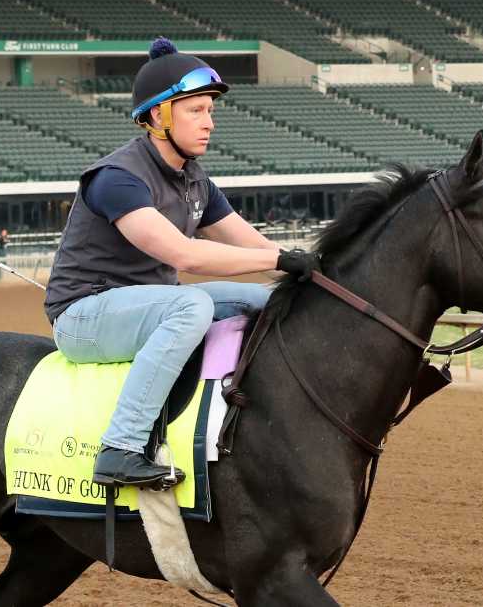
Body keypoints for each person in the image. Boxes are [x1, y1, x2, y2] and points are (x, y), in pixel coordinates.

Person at [43, 37, 318, 487]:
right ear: (158, 115)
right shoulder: (117, 178)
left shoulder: (195, 180)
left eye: (211, 110)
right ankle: (121, 448)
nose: (209, 123)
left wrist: (312, 272)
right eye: (196, 110)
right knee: (191, 306)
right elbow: (184, 255)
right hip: (83, 316)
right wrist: (280, 257)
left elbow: (253, 248)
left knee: (268, 298)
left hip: (149, 306)